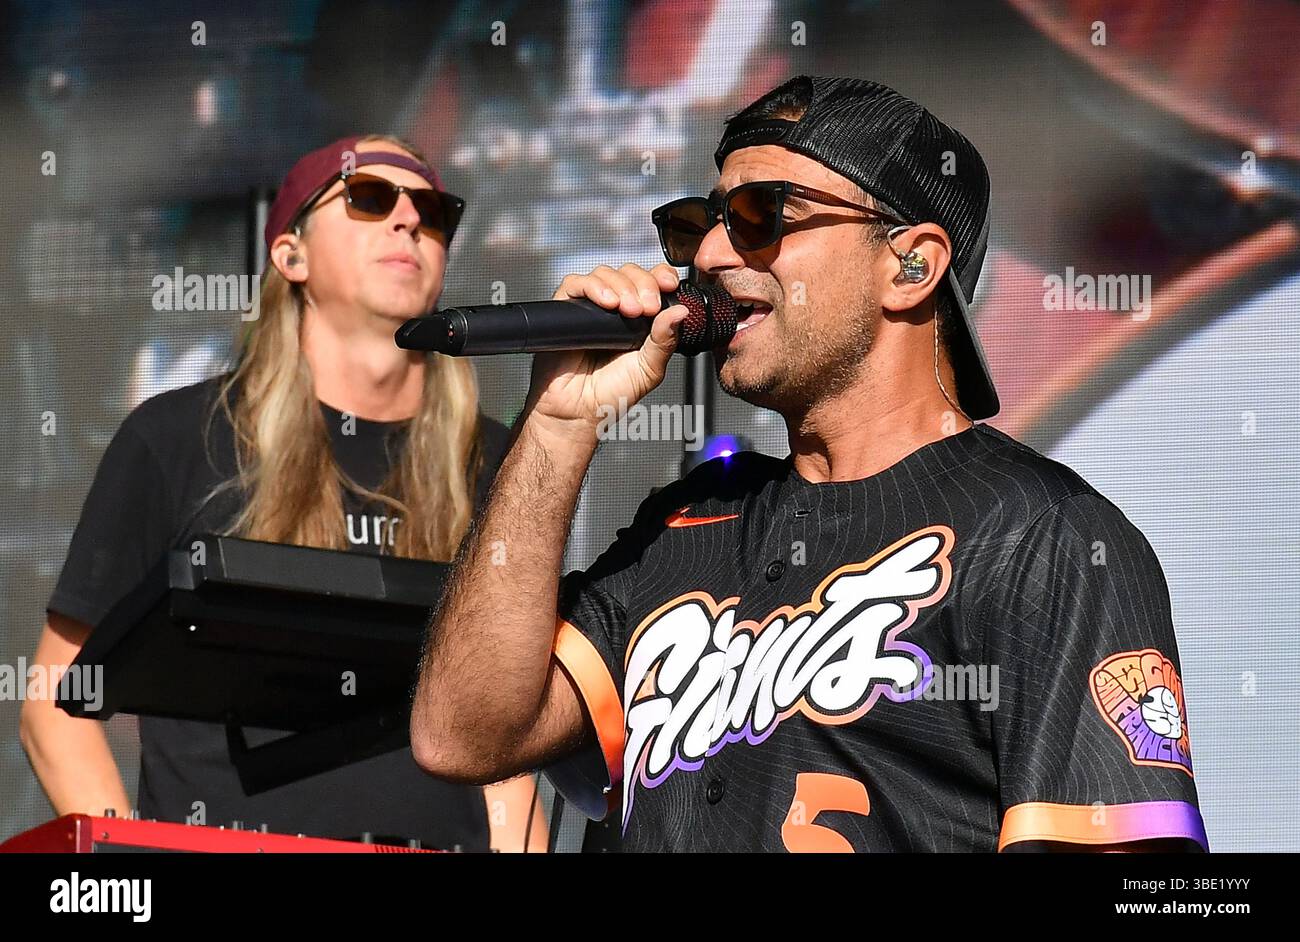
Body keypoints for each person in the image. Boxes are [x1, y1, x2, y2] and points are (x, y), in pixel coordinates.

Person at [409, 76, 1208, 852]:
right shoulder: (689, 521)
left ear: (911, 266)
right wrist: (557, 425)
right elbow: (461, 736)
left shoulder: (1044, 536)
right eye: (701, 223)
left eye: (763, 214)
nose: (713, 254)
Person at [22, 134, 547, 852]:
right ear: (289, 254)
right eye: (368, 197)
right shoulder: (176, 437)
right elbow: (58, 704)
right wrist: (137, 870)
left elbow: (505, 754)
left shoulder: (498, 462)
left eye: (431, 209)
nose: (407, 220)